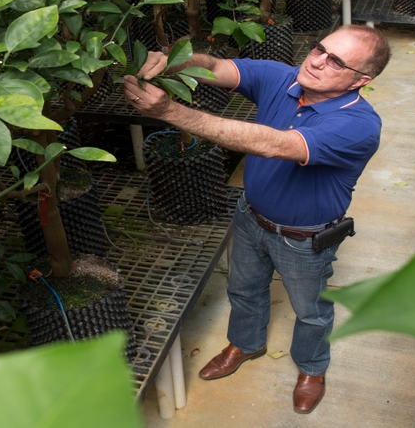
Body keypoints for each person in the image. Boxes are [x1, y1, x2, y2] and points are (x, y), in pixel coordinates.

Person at [123, 24, 391, 414]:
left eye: (335, 61)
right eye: (320, 47)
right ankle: (246, 343)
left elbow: (270, 143)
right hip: (250, 217)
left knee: (311, 311)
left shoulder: (359, 125)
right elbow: (216, 66)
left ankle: (312, 368)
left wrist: (168, 111)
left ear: (360, 79)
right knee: (243, 289)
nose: (316, 61)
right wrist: (176, 61)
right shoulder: (285, 79)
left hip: (303, 238)